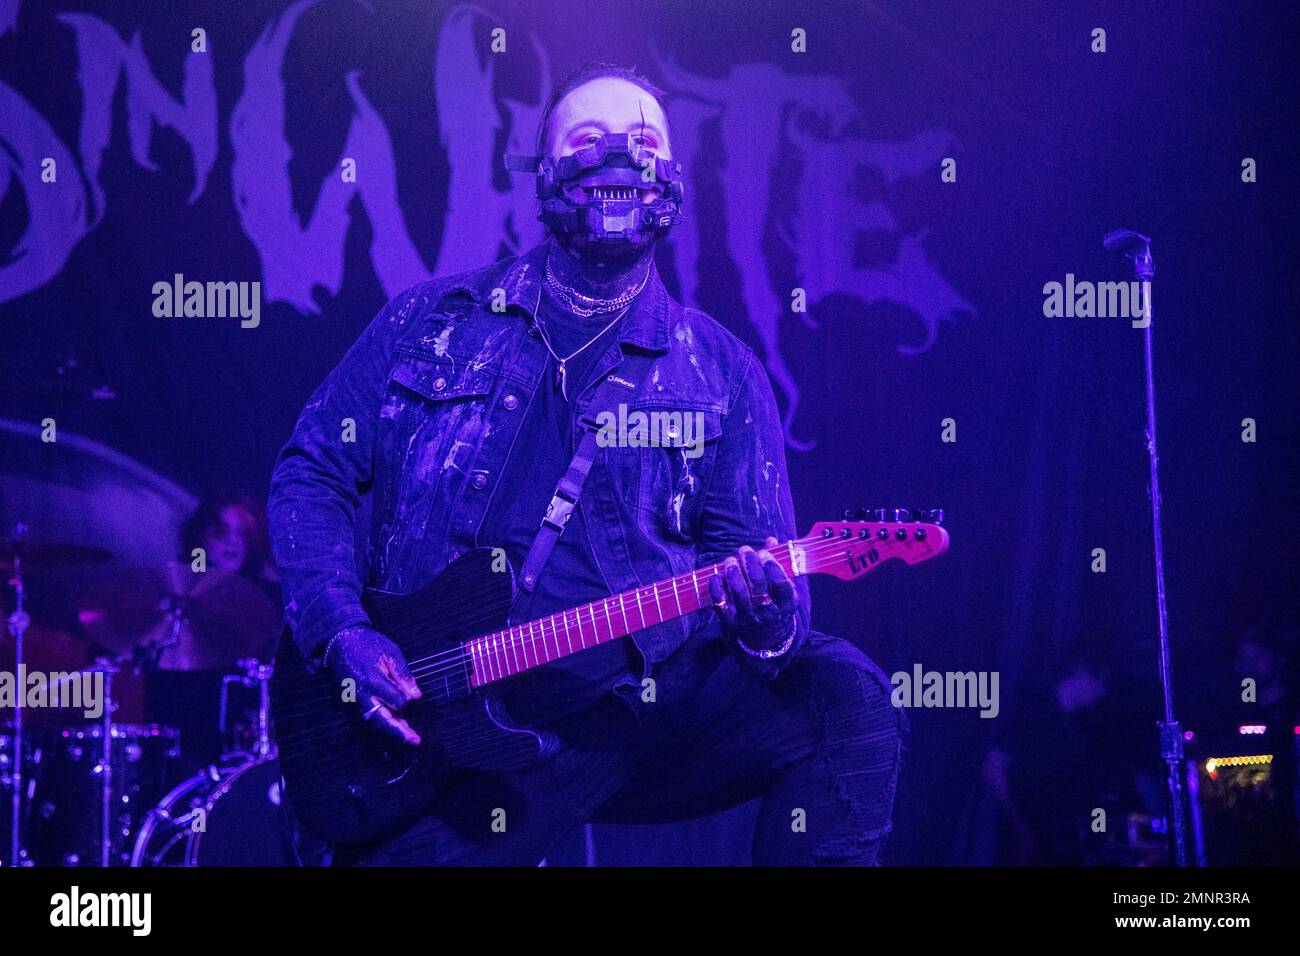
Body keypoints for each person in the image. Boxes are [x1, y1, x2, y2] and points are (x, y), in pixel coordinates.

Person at [268, 62, 906, 865]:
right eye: (587, 139)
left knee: (842, 692)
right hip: (443, 722)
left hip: (633, 717)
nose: (618, 159)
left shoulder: (723, 370)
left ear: (672, 181)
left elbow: (762, 579)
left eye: (643, 141)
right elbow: (312, 472)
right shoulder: (431, 322)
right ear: (543, 175)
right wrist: (342, 631)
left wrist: (771, 626)